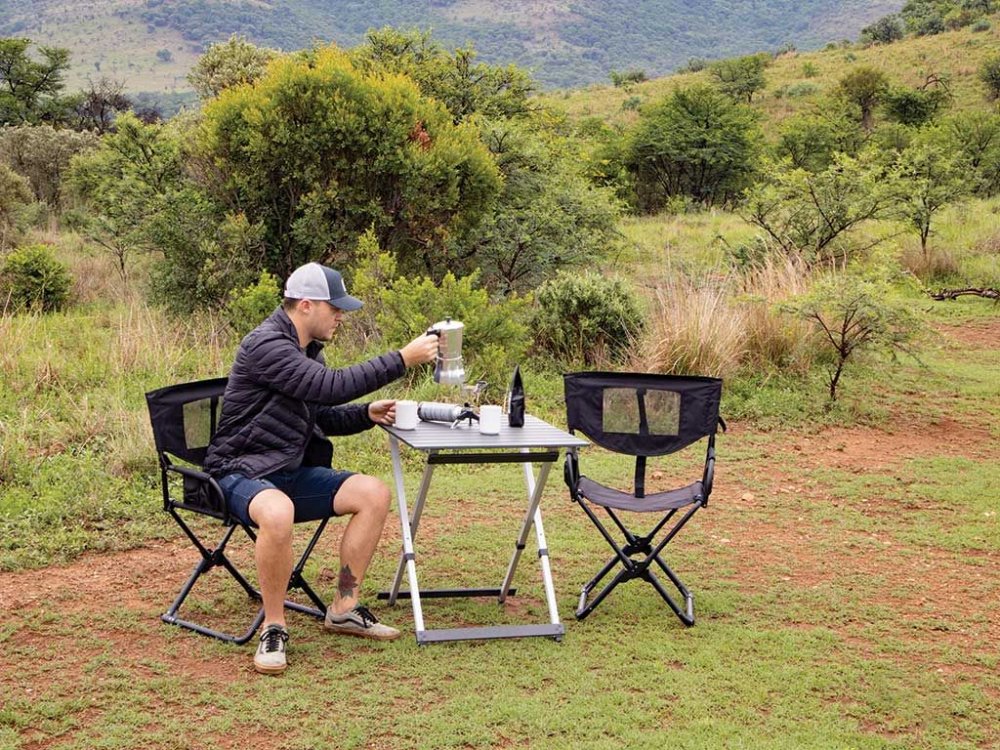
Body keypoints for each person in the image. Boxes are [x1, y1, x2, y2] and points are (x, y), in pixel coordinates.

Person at [204, 261, 438, 674]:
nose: (341, 316)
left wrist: (365, 413)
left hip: (286, 471)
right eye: (336, 308)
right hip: (239, 471)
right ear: (306, 305)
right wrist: (402, 358)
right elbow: (330, 387)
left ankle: (345, 606)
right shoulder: (266, 345)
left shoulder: (305, 350)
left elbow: (319, 414)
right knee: (278, 510)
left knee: (373, 493)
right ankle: (274, 626)